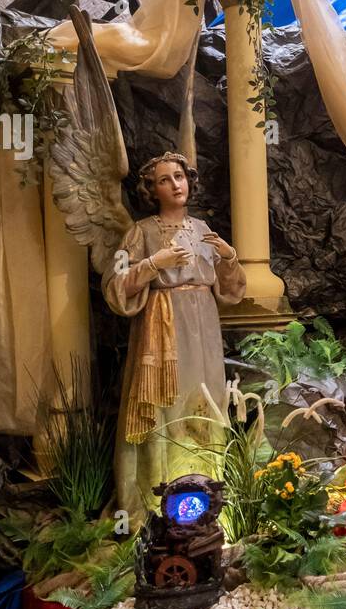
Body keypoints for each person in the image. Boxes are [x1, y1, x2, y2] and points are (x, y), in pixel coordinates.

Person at [103, 152, 246, 522]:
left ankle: (208, 498)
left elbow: (231, 293)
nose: (175, 184)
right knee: (167, 402)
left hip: (204, 327)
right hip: (162, 326)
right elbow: (115, 284)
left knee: (206, 401)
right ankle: (158, 497)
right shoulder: (141, 232)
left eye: (179, 176)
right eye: (165, 179)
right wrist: (153, 264)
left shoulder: (203, 231)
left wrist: (229, 258)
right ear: (153, 189)